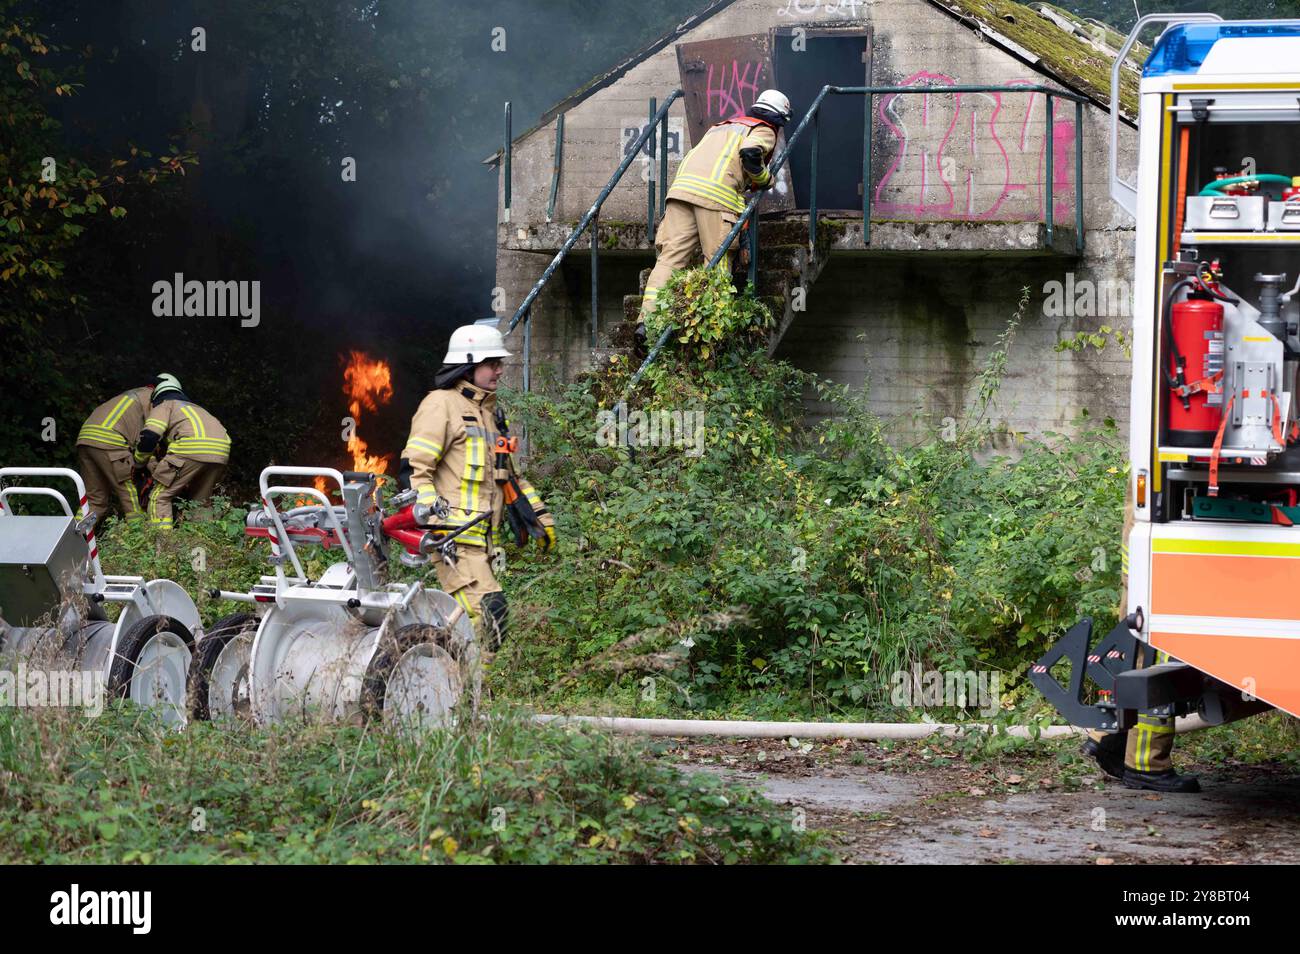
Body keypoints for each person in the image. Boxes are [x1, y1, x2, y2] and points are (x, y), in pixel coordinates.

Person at [398, 322, 555, 647]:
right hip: (453, 540)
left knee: (468, 621)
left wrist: (541, 518)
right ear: (468, 364)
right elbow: (415, 469)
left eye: (500, 362)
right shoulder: (440, 404)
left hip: (485, 542)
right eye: (491, 363)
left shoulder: (491, 415)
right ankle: (473, 690)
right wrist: (433, 522)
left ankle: (440, 674)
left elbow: (510, 477)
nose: (499, 369)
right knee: (491, 612)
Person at [639, 89, 792, 324]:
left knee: (670, 259)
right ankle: (713, 324)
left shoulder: (721, 126)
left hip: (682, 191)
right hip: (715, 197)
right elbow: (750, 153)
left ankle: (646, 322)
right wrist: (765, 179)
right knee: (718, 260)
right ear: (779, 118)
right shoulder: (763, 128)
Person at [132, 373, 231, 530]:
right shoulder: (198, 409)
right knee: (200, 502)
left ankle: (163, 547)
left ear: (157, 395)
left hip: (190, 450)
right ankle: (200, 546)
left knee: (160, 497)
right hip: (220, 452)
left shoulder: (165, 404)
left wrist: (139, 461)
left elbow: (150, 435)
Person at [76, 381, 156, 524]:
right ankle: (140, 539)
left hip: (85, 438)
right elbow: (149, 437)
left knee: (94, 500)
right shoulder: (152, 398)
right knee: (129, 492)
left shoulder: (131, 394)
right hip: (109, 439)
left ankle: (74, 539)